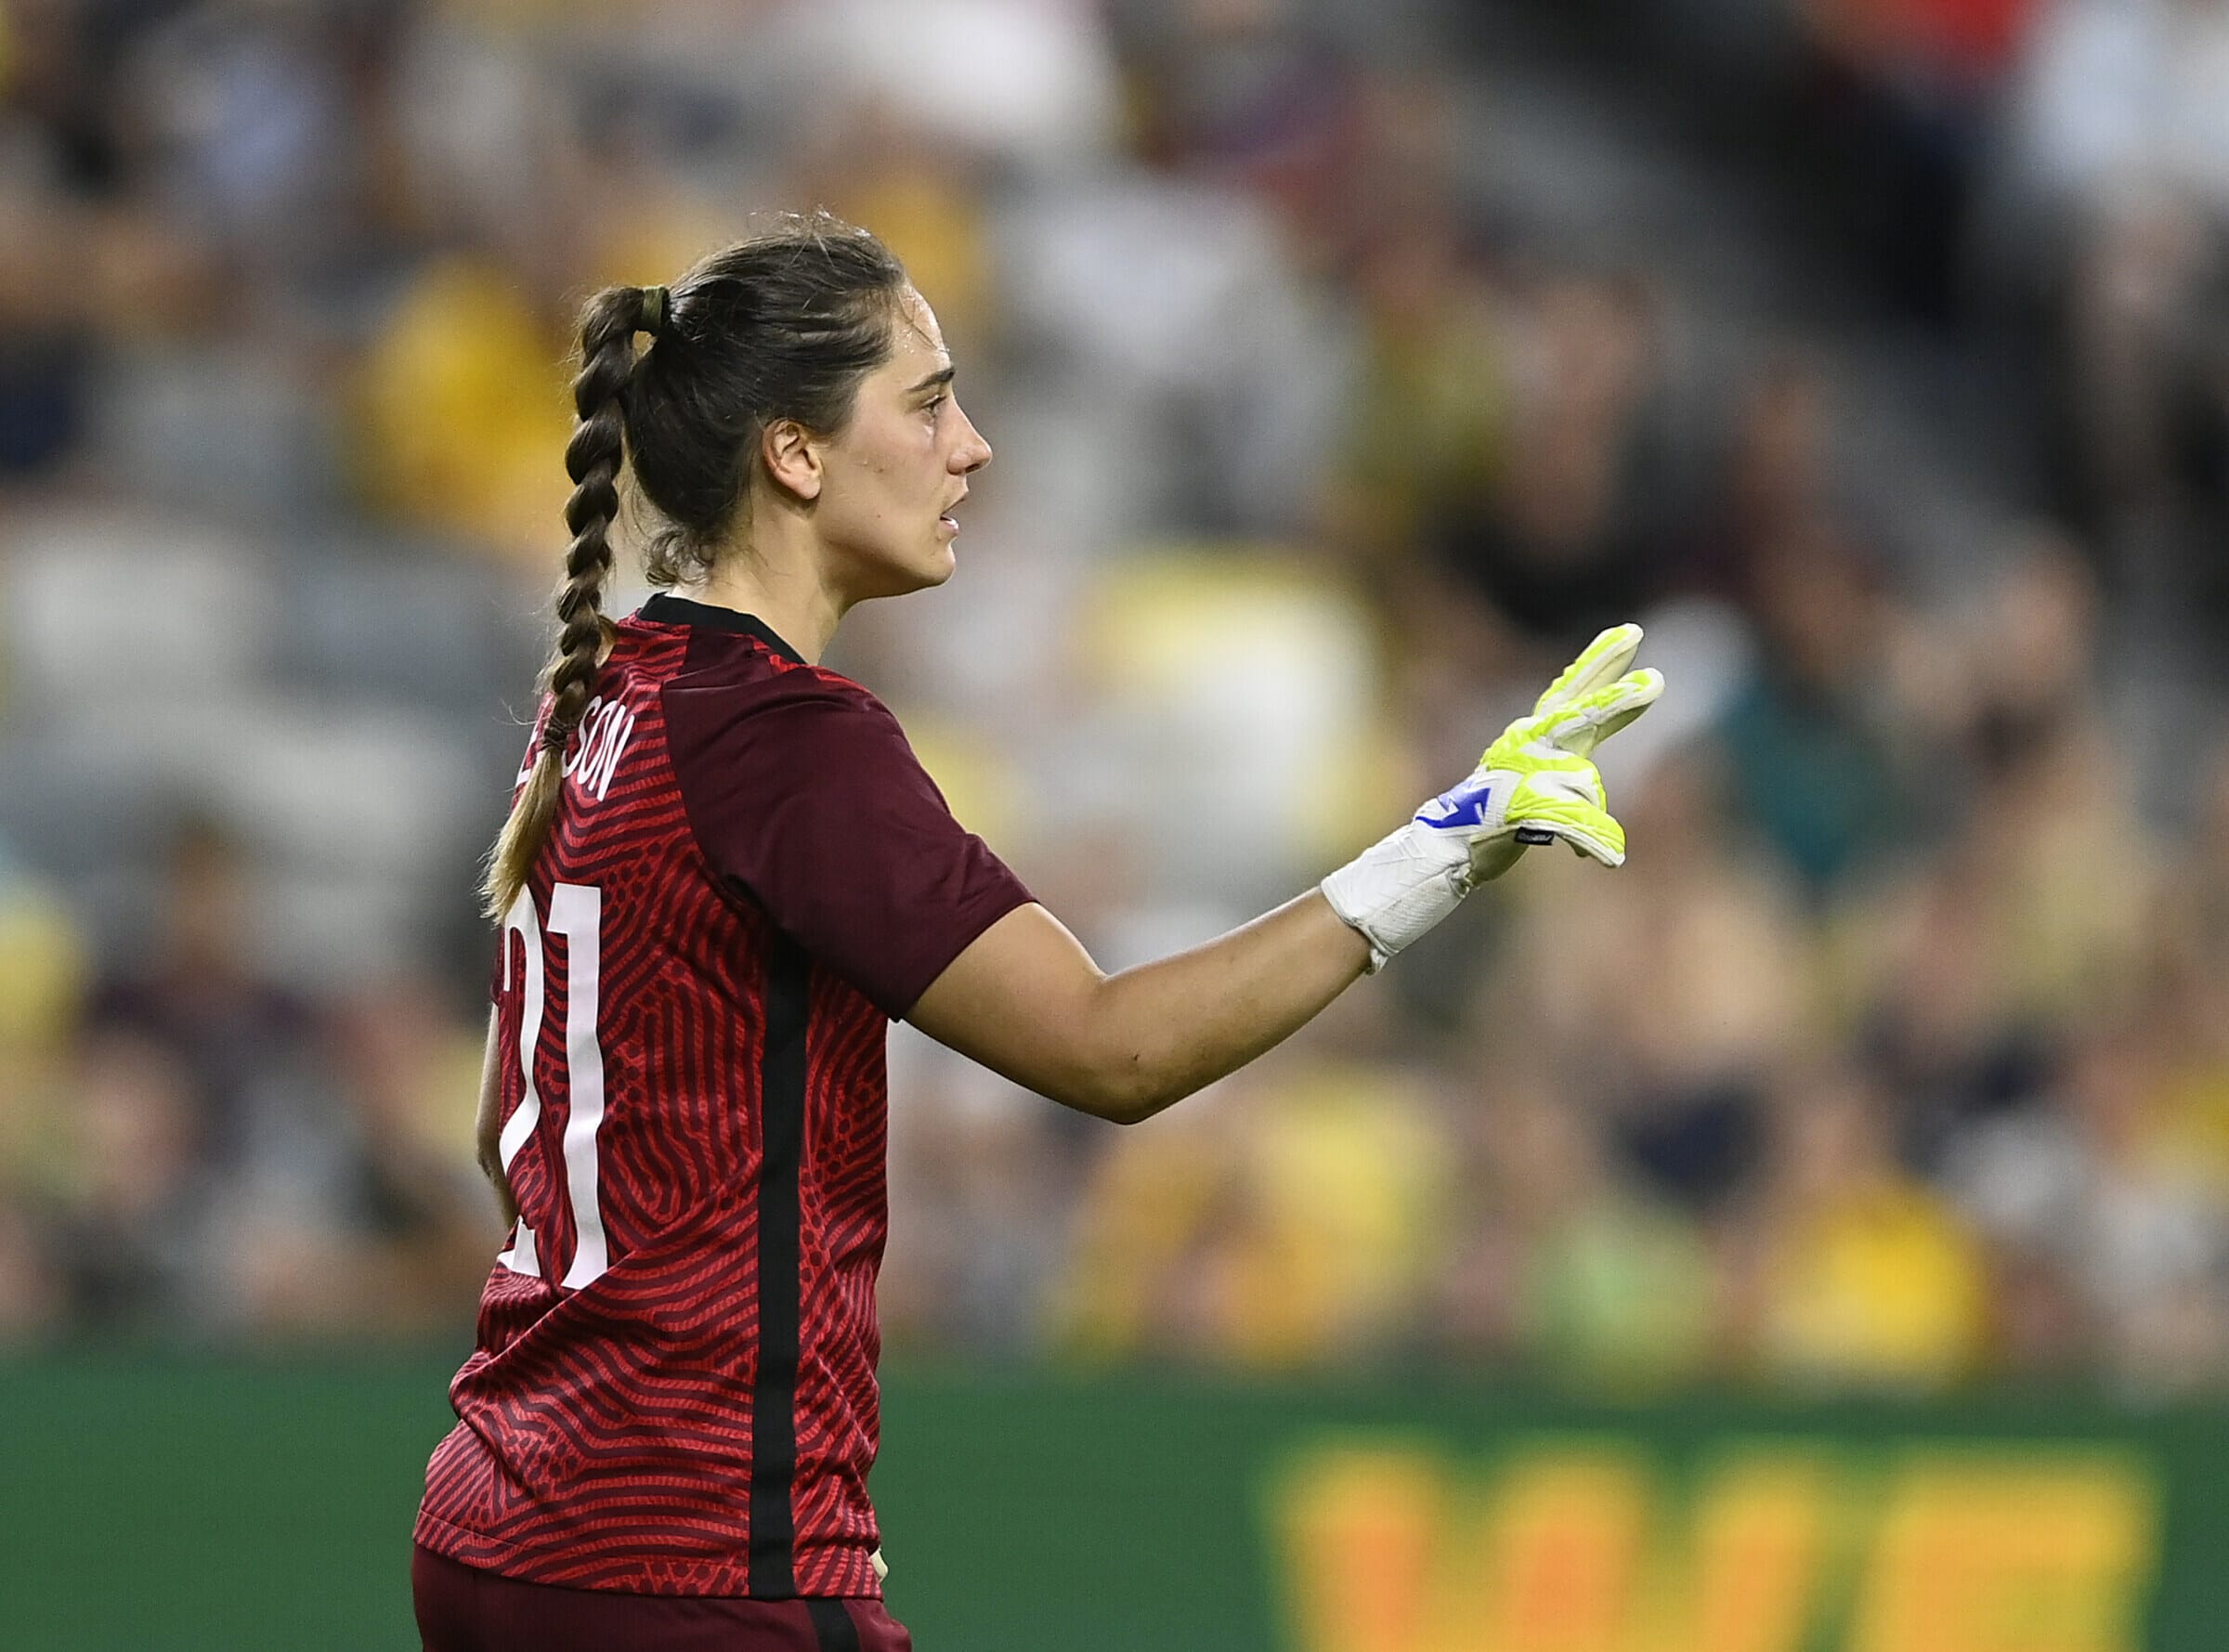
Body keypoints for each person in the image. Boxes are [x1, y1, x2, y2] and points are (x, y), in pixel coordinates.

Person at [411, 211, 1662, 1652]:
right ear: (796, 454)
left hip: (501, 1531)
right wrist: (1449, 845)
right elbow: (1109, 1051)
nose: (973, 447)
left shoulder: (607, 699)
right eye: (929, 404)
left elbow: (509, 1121)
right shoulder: (783, 743)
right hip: (697, 1563)